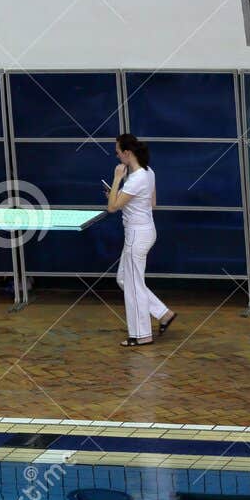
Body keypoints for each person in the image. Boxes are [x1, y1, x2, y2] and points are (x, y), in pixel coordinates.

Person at [106, 133, 175, 347]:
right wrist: (121, 196)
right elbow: (151, 202)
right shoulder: (148, 172)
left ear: (127, 153)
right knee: (125, 279)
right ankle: (163, 313)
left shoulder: (134, 179)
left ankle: (141, 334)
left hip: (137, 234)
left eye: (118, 152)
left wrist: (117, 179)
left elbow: (112, 207)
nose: (117, 156)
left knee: (134, 285)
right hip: (144, 231)